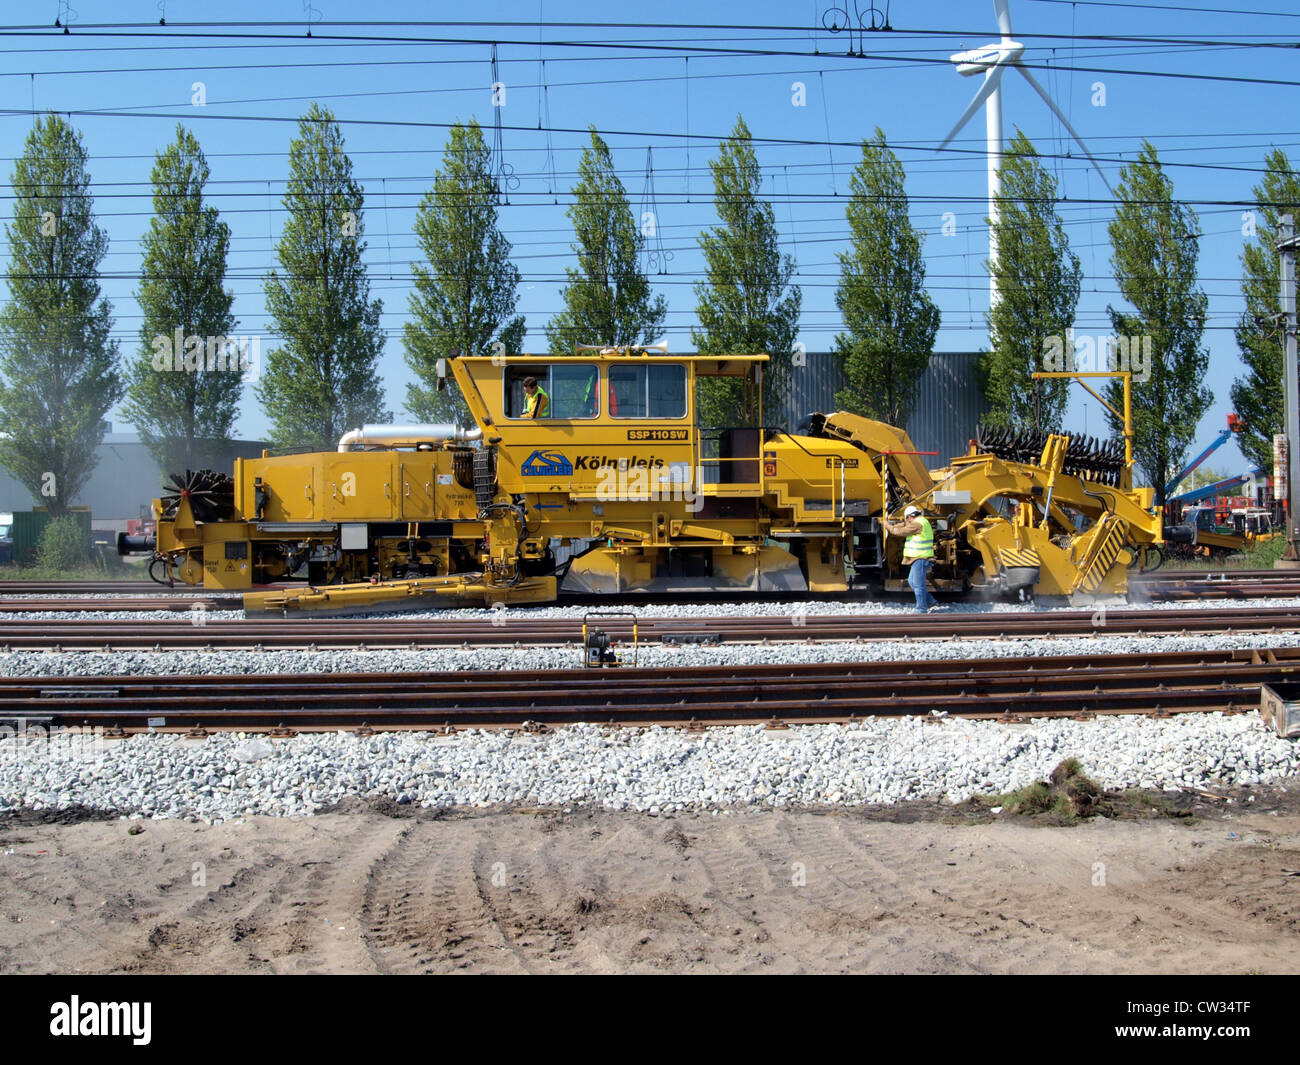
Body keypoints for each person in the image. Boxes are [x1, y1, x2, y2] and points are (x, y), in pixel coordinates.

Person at [885, 504, 939, 613]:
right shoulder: (921, 521)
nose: (907, 521)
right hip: (919, 558)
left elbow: (900, 532)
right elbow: (905, 524)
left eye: (907, 519)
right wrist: (895, 524)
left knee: (919, 585)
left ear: (910, 517)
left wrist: (888, 527)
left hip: (920, 558)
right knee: (911, 581)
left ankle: (921, 609)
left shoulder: (917, 524)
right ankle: (930, 600)